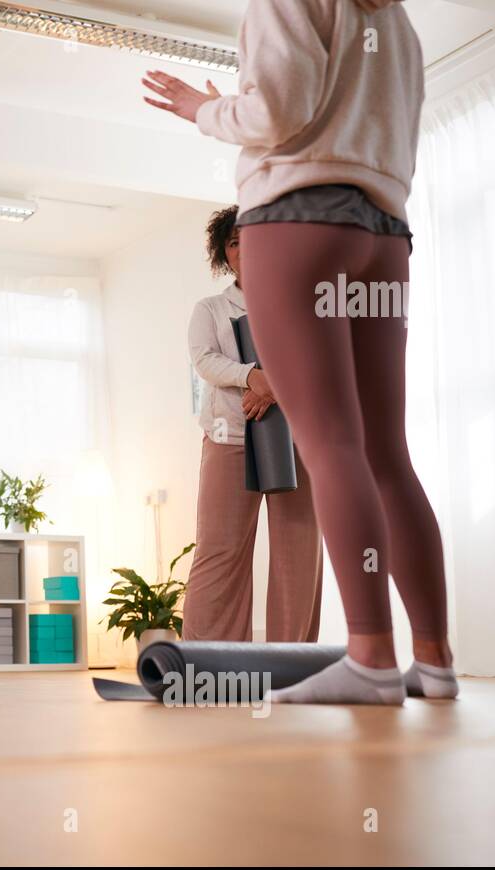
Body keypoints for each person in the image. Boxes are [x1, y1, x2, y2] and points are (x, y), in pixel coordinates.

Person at [143, 0, 455, 703]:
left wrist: (206, 109)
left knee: (333, 447)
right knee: (386, 454)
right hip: (385, 231)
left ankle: (372, 658)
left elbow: (279, 113)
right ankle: (433, 662)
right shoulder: (396, 19)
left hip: (298, 220)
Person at [182, 206, 322, 643]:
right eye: (234, 242)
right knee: (219, 552)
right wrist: (251, 376)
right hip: (229, 442)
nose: (244, 248)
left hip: (296, 442)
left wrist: (269, 384)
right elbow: (205, 360)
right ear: (224, 253)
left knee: (297, 555)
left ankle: (290, 664)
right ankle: (209, 660)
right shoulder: (210, 308)